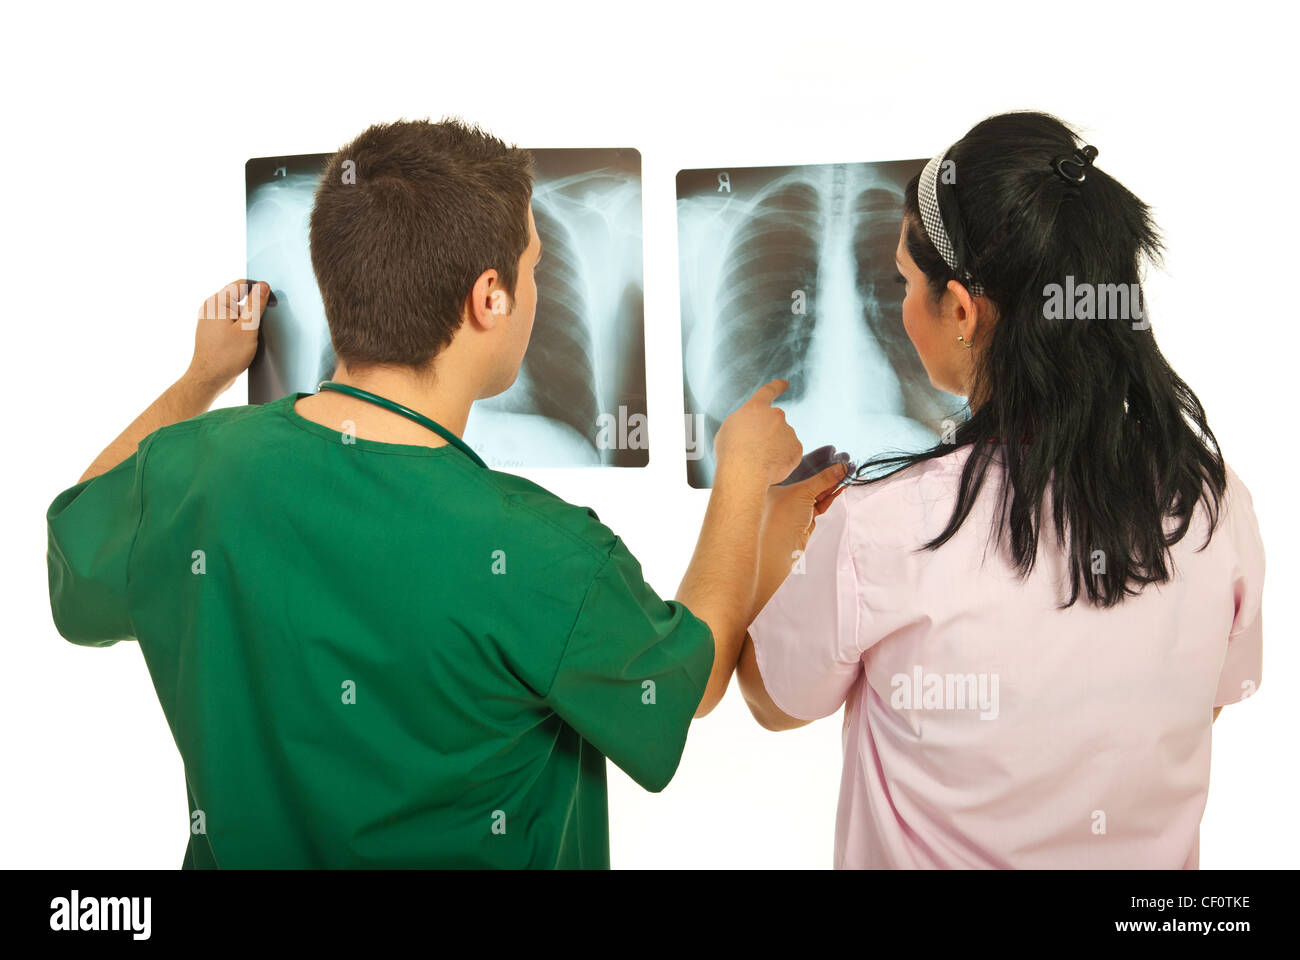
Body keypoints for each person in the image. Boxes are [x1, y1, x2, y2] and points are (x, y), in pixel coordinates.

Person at [45, 118, 848, 868]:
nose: (539, 289)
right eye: (537, 269)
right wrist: (742, 480)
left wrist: (201, 379)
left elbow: (74, 549)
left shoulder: (194, 474)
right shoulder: (543, 551)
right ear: (487, 297)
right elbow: (687, 687)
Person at [734, 111, 1265, 869]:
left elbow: (771, 699)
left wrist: (763, 536)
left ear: (961, 308)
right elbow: (1209, 697)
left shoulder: (885, 527)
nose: (902, 306)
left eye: (905, 283)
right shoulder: (1211, 507)